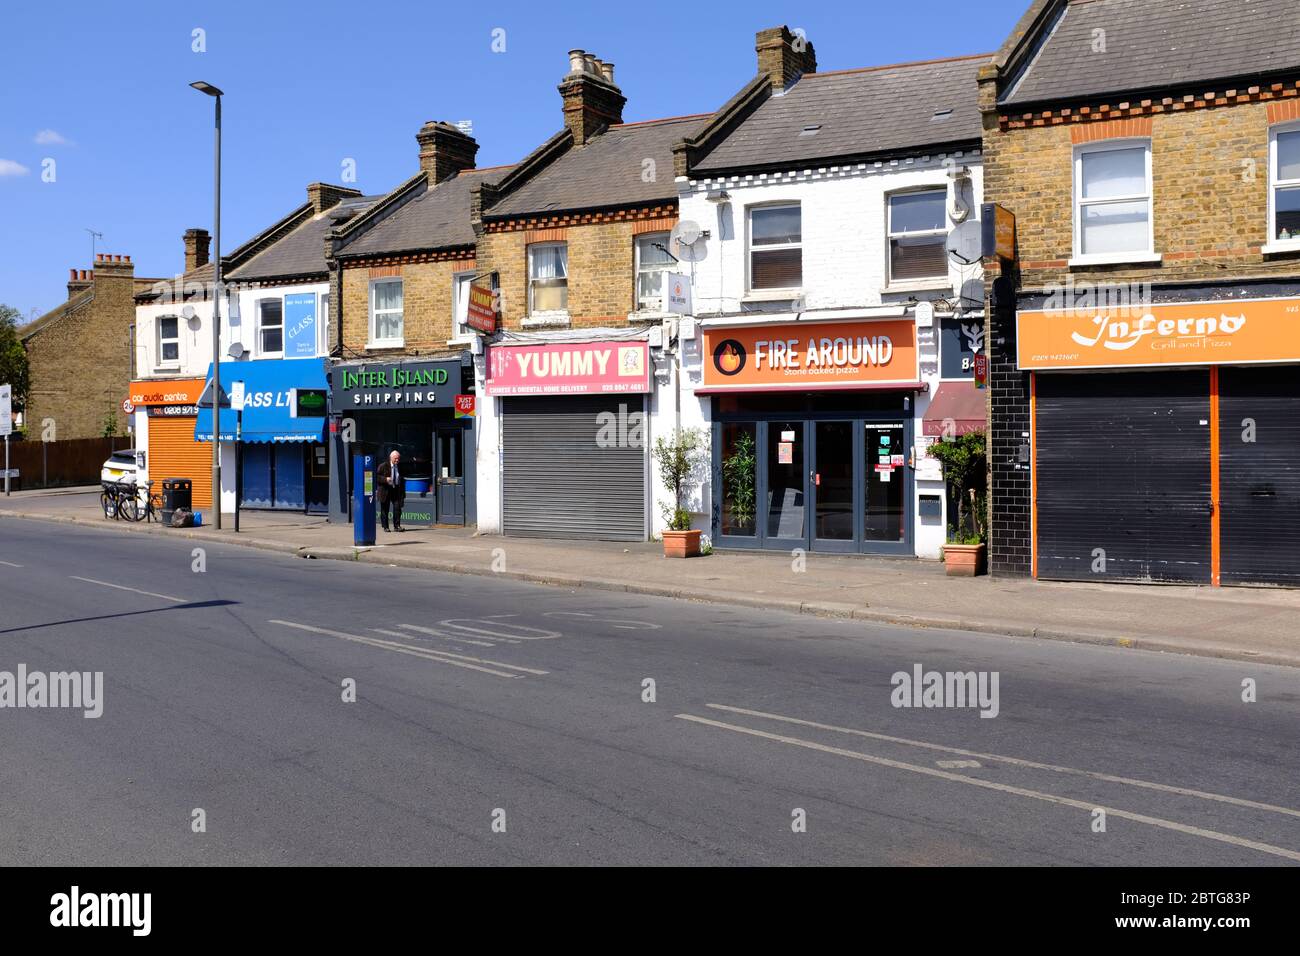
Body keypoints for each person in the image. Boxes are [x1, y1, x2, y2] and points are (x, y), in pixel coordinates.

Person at [375, 449, 405, 532]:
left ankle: (397, 526)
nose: (397, 460)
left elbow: (402, 479)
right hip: (385, 490)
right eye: (395, 458)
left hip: (395, 489)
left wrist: (402, 492)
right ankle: (385, 527)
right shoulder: (383, 466)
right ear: (390, 458)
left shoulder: (400, 466)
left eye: (398, 458)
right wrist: (385, 479)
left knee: (397, 508)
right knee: (385, 509)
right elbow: (376, 477)